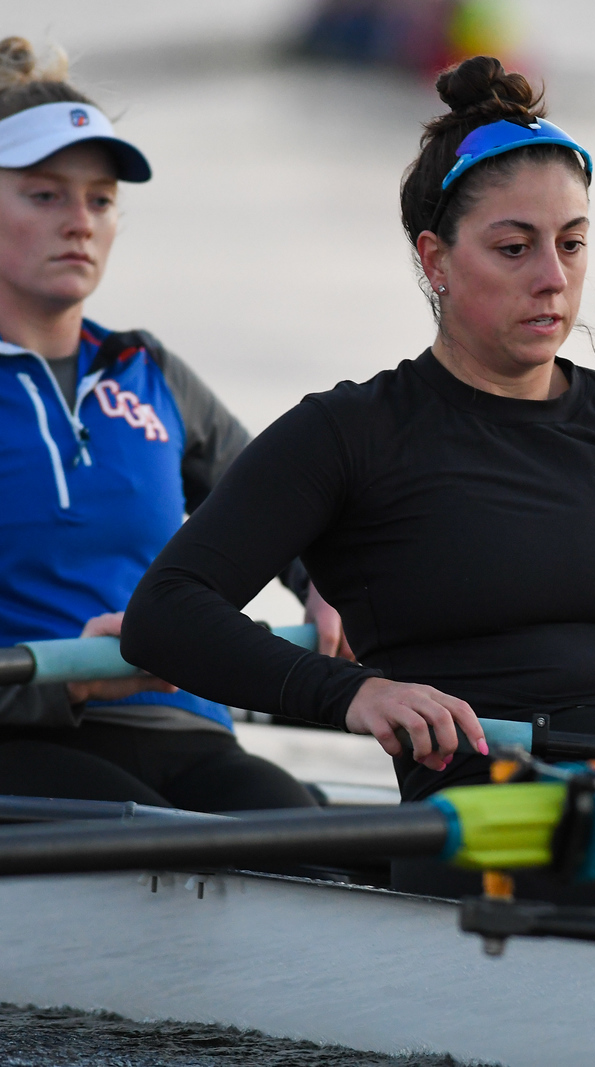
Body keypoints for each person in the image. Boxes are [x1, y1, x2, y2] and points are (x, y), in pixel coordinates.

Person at [123, 56, 595, 916]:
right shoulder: (349, 433)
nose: (553, 276)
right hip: (489, 805)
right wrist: (355, 693)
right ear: (435, 259)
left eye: (573, 243)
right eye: (515, 247)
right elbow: (166, 611)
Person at [0, 36, 335, 812]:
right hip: (28, 740)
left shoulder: (151, 373)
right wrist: (73, 676)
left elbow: (296, 512)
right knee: (141, 838)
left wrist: (330, 583)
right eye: (45, 194)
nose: (80, 221)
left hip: (194, 734)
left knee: (312, 847)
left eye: (101, 198)